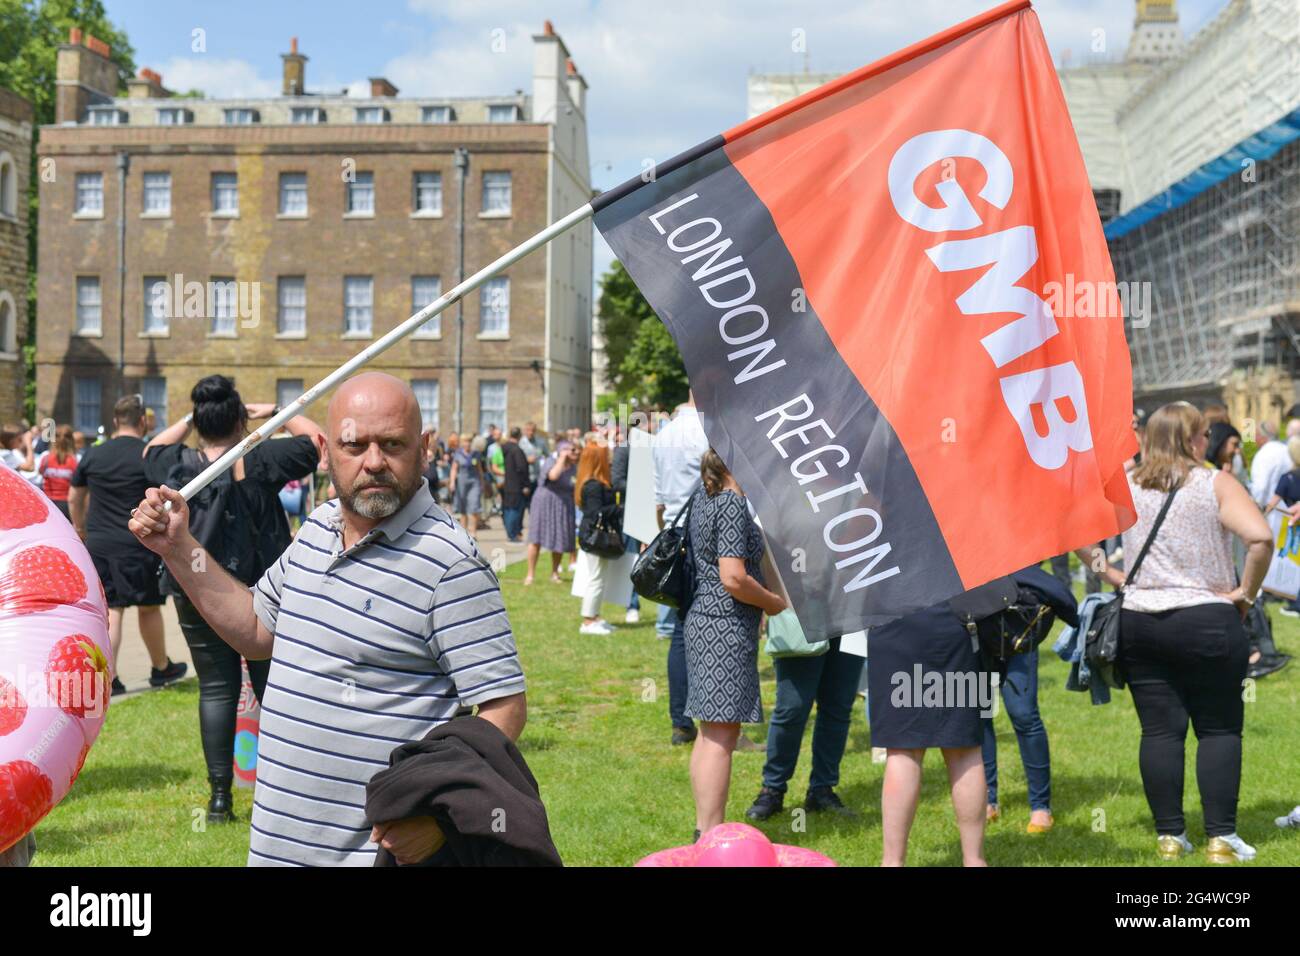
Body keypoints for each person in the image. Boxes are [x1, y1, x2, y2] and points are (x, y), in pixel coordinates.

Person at [129, 372, 527, 866]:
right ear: (325, 451)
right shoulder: (318, 527)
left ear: (424, 448)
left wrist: (439, 816)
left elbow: (504, 708)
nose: (374, 462)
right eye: (354, 445)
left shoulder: (451, 563)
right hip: (276, 850)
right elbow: (256, 629)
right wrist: (178, 547)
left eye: (393, 444)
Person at [1082, 401, 1270, 863]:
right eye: (1204, 434)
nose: (1208, 441)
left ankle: (1170, 836)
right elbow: (1260, 538)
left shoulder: (1126, 484)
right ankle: (1221, 837)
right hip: (1207, 616)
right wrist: (1246, 594)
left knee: (1159, 732)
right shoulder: (1214, 482)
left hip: (1141, 620)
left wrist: (1114, 576)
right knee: (1219, 729)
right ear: (1190, 439)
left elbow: (1080, 536)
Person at [144, 375, 323, 824]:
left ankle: (220, 799)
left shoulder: (179, 464)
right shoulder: (264, 458)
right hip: (264, 588)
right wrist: (275, 412)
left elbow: (150, 450)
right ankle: (290, 786)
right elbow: (317, 441)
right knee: (275, 686)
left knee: (216, 689)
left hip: (198, 588)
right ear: (239, 416)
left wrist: (193, 418)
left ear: (201, 419)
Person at [684, 449, 786, 839]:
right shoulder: (730, 503)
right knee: (722, 736)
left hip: (705, 620)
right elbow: (733, 577)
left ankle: (703, 829)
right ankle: (711, 833)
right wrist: (772, 602)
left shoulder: (704, 494)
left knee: (711, 733)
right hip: (724, 626)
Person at [69, 395, 187, 696]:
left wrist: (79, 527)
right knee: (148, 607)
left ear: (114, 421)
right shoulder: (147, 454)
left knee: (113, 609)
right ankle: (161, 668)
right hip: (139, 541)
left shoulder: (94, 454)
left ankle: (109, 678)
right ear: (143, 421)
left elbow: (74, 495)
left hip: (100, 543)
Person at [870, 598, 990, 866]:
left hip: (893, 621)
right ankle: (975, 861)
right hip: (957, 621)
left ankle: (892, 862)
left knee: (903, 750)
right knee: (964, 750)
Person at [745, 633, 862, 822]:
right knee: (792, 708)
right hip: (803, 620)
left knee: (838, 708)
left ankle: (822, 790)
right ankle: (772, 789)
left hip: (854, 623)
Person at [652, 394, 710, 746]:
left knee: (681, 631)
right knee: (722, 628)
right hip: (706, 537)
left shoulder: (664, 434)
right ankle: (719, 722)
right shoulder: (709, 430)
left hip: (675, 537)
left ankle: (681, 722)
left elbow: (659, 502)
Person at [981, 651, 1053, 833]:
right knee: (981, 716)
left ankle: (1040, 806)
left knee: (1024, 715)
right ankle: (986, 800)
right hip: (976, 641)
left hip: (1019, 642)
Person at [575, 440, 619, 635]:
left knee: (600, 577)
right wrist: (618, 509)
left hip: (592, 534)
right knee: (596, 578)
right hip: (594, 536)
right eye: (606, 455)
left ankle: (595, 616)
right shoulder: (593, 486)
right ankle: (588, 621)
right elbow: (596, 512)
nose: (609, 458)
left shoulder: (592, 482)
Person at [524, 440, 578, 585]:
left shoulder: (574, 467)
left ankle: (555, 573)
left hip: (563, 505)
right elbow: (553, 476)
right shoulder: (551, 461)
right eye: (571, 450)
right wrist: (561, 459)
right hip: (545, 503)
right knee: (536, 537)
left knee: (560, 537)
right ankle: (530, 574)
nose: (574, 452)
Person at [610, 424, 642, 624]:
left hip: (654, 511)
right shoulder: (624, 450)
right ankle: (632, 605)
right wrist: (641, 486)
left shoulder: (655, 448)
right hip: (631, 511)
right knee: (632, 558)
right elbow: (617, 481)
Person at [35, 424, 78, 519]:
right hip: (66, 504)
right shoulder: (74, 461)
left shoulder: (45, 458)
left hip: (48, 503)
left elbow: (40, 473)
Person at [499, 426, 531, 543]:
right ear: (519, 436)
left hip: (507, 483)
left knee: (508, 509)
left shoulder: (504, 448)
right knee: (514, 510)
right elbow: (521, 469)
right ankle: (512, 534)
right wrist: (525, 485)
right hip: (517, 485)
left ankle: (511, 533)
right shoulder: (516, 450)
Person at [449, 431, 482, 535]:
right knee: (463, 508)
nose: (467, 444)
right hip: (462, 482)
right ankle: (464, 533)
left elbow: (479, 469)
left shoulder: (476, 454)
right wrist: (452, 482)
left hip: (474, 482)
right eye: (465, 441)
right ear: (462, 443)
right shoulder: (458, 454)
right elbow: (454, 469)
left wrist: (482, 483)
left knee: (474, 506)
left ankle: (473, 532)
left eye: (469, 441)